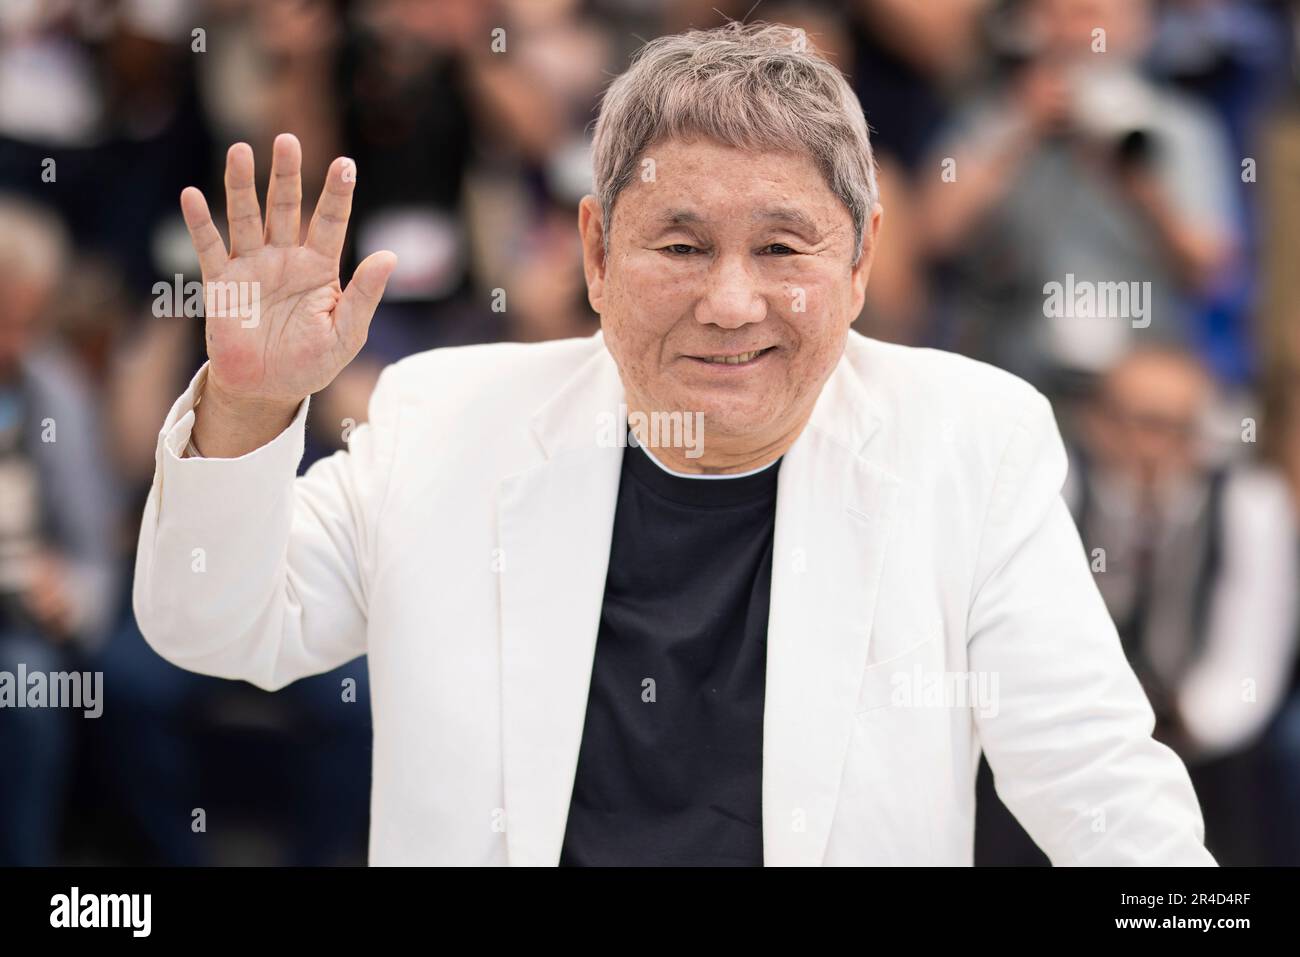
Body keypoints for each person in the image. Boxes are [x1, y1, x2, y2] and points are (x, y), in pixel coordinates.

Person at [133, 22, 1213, 866]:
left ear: (862, 260)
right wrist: (248, 408)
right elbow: (216, 627)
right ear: (596, 251)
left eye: (782, 245)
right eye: (680, 244)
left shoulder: (971, 442)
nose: (731, 302)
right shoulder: (442, 423)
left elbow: (1099, 781)